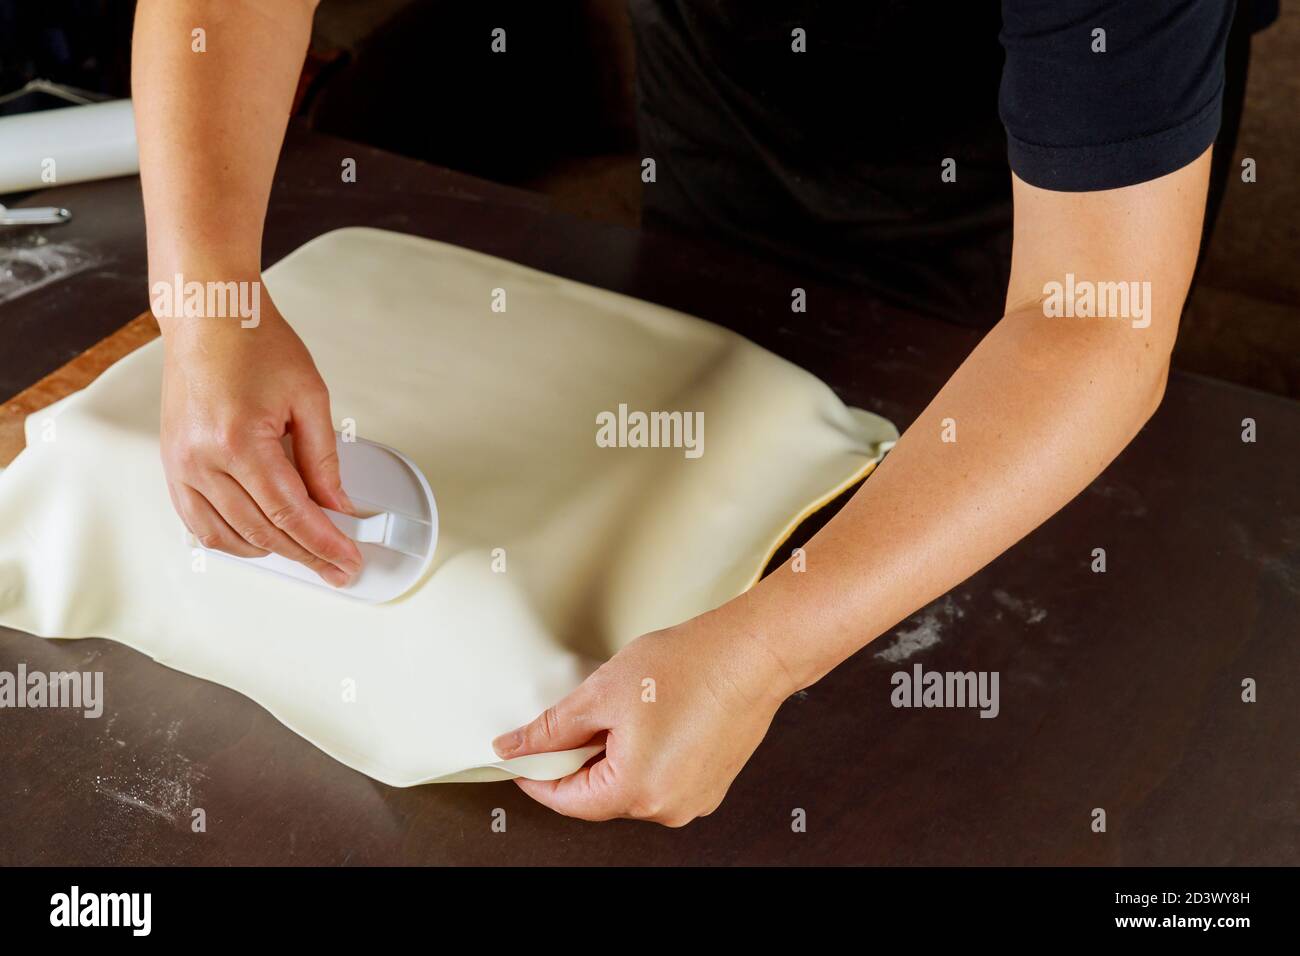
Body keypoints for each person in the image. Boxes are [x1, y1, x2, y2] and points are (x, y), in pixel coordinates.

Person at [132, 0, 1235, 825]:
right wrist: (205, 296)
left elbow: (1091, 317)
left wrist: (762, 652)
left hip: (1007, 170)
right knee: (727, 338)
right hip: (729, 82)